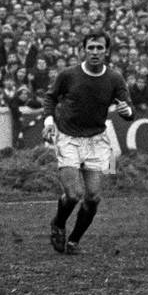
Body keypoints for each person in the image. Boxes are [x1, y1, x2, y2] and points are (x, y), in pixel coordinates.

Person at [42, 32, 134, 255]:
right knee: (73, 194)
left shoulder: (114, 78)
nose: (95, 52)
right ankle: (58, 223)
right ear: (83, 50)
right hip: (68, 137)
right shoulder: (69, 75)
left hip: (96, 140)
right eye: (91, 47)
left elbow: (129, 110)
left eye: (99, 48)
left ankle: (74, 240)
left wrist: (127, 111)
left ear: (106, 51)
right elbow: (51, 97)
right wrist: (48, 120)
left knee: (93, 197)